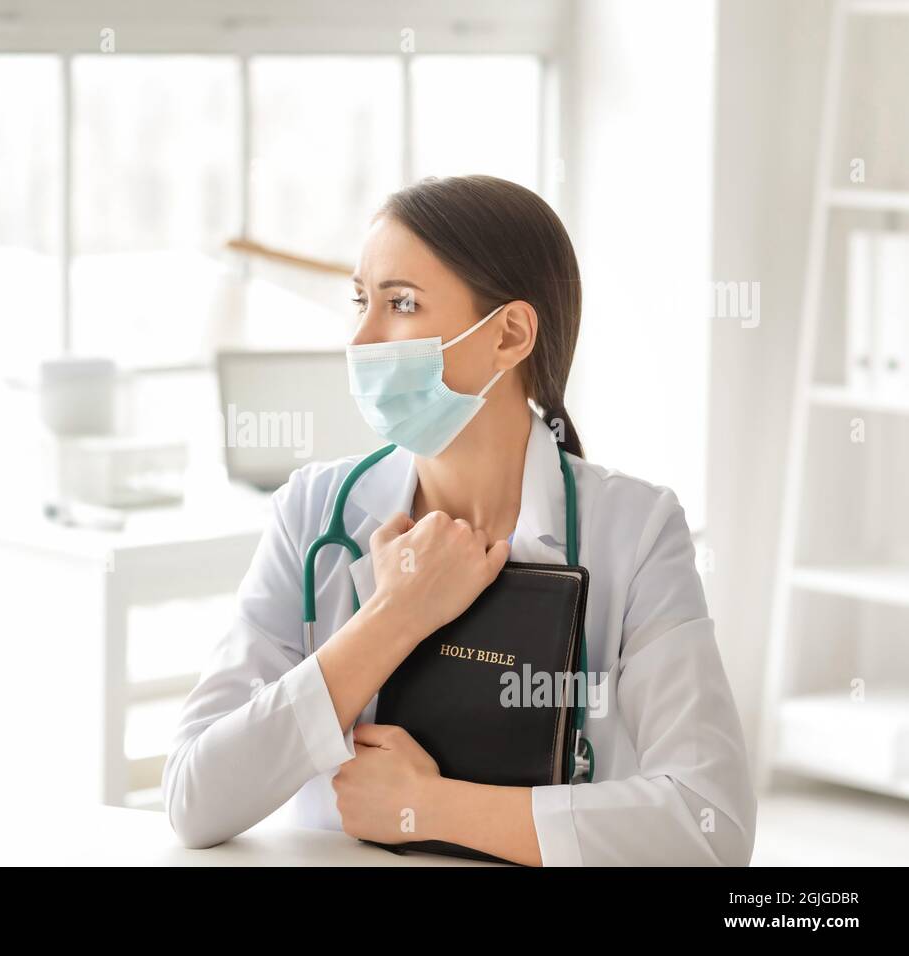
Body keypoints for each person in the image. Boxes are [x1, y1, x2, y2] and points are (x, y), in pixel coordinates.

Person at [161, 174, 756, 866]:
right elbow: (193, 801)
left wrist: (427, 808)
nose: (362, 337)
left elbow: (710, 822)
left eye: (402, 303)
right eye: (361, 301)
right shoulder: (312, 513)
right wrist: (395, 616)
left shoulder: (636, 530)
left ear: (508, 335)